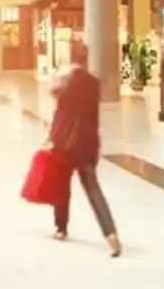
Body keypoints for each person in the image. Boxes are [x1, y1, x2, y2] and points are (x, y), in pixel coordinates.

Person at [48, 44, 121, 257]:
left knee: (61, 187)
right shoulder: (93, 84)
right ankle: (111, 235)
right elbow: (92, 116)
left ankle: (61, 228)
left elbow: (60, 113)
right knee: (93, 189)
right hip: (86, 145)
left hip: (65, 145)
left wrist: (53, 137)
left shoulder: (64, 82)